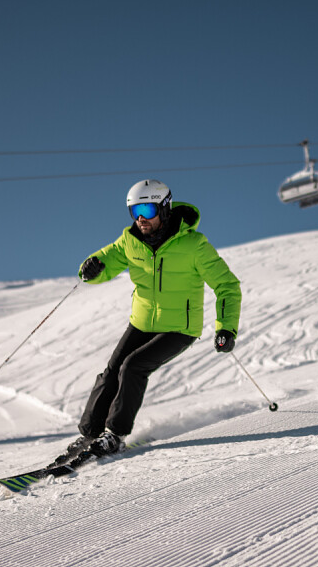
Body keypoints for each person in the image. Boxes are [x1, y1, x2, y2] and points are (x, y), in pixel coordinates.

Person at [53, 179, 242, 463]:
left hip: (180, 327)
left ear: (164, 208)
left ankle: (114, 435)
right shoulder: (130, 242)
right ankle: (90, 433)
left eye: (147, 209)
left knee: (132, 368)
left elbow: (227, 285)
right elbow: (105, 262)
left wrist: (225, 327)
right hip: (142, 322)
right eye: (134, 210)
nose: (141, 218)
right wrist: (91, 268)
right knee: (111, 371)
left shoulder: (194, 245)